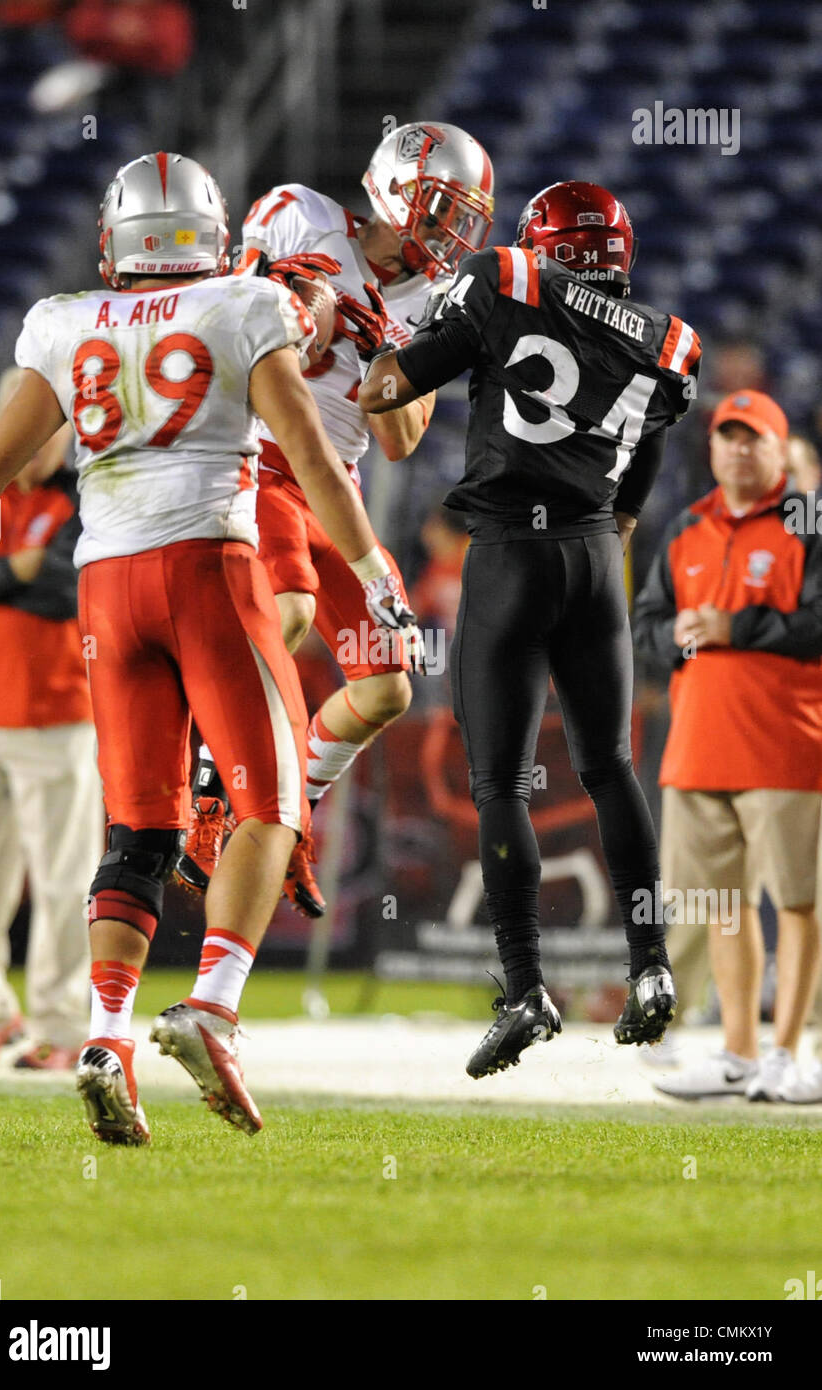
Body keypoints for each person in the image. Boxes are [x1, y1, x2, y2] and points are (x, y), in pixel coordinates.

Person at [0, 151, 417, 1144]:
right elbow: (305, 447)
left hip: (103, 588)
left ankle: (105, 1036)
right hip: (206, 567)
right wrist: (373, 568)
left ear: (113, 237)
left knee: (138, 833)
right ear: (209, 235)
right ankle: (210, 1005)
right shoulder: (243, 304)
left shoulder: (59, 318)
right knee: (276, 800)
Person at [359, 180, 701, 1078]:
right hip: (593, 558)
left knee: (498, 782)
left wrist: (377, 342)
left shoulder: (505, 275)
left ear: (541, 241)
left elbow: (387, 386)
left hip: (508, 554)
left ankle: (523, 988)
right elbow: (647, 460)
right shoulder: (670, 340)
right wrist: (604, 537)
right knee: (609, 769)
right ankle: (652, 968)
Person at [174, 122, 495, 917]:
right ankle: (209, 793)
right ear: (395, 188)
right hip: (263, 462)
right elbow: (216, 322)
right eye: (441, 209)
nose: (450, 232)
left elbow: (400, 438)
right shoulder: (299, 216)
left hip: (335, 487)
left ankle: (294, 809)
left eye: (464, 217)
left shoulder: (437, 298)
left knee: (386, 685)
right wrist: (293, 296)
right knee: (287, 613)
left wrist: (387, 342)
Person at [633, 389, 822, 1103]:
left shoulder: (808, 519)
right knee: (718, 903)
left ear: (779, 450)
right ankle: (739, 1052)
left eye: (755, 438)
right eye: (727, 437)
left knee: (799, 903)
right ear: (710, 448)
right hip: (698, 744)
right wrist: (673, 637)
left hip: (785, 744)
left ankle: (787, 1053)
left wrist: (732, 628)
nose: (739, 450)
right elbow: (644, 623)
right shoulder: (686, 527)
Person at [0, 370, 103, 1070]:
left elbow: (62, 586)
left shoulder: (85, 495)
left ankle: (60, 1025)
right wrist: (8, 573)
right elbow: (25, 577)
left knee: (62, 878)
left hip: (58, 711)